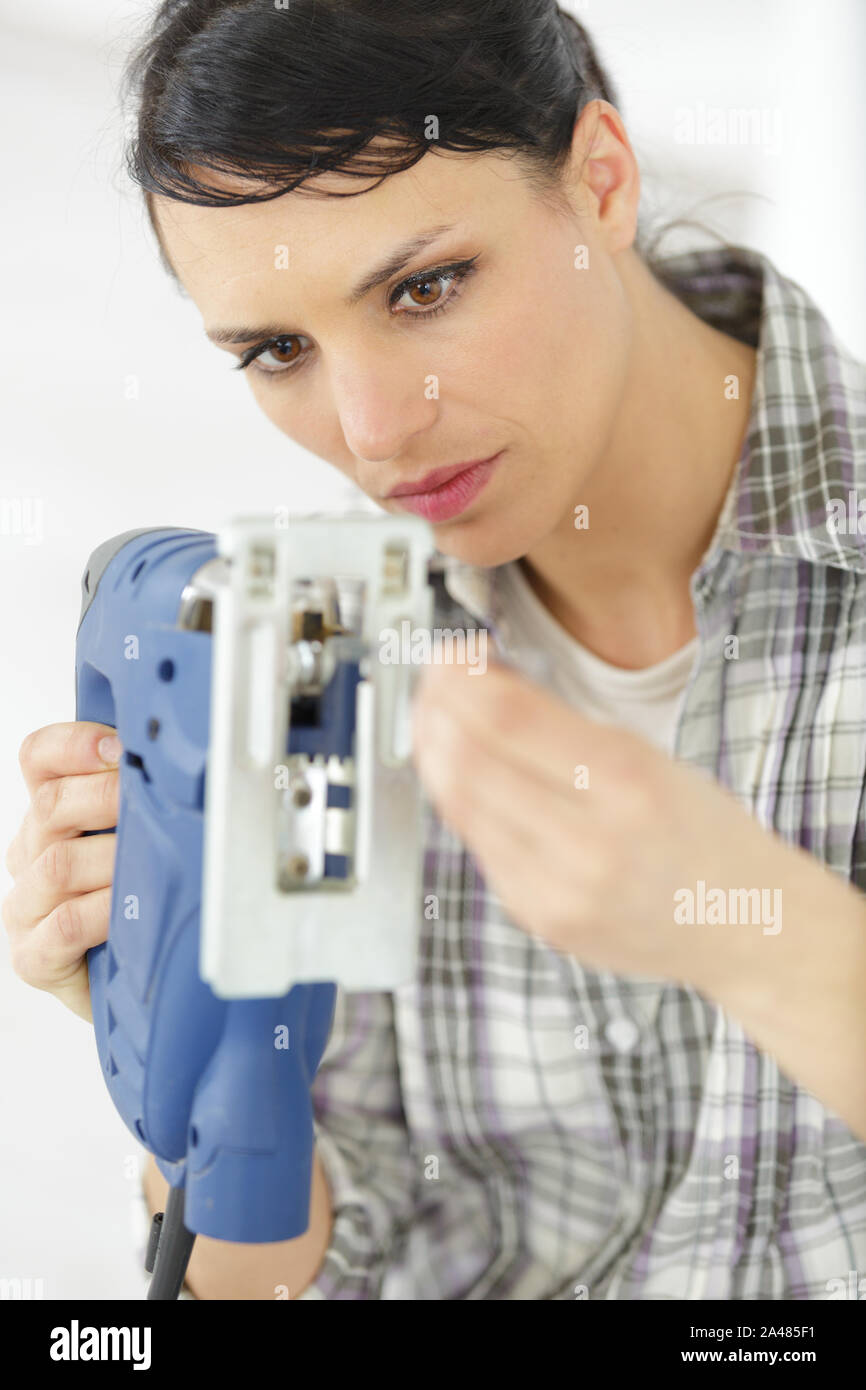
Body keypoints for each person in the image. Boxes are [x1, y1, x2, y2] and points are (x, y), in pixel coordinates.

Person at [4, 0, 865, 1300]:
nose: (371, 430)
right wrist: (185, 1038)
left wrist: (755, 928)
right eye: (277, 349)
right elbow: (295, 1266)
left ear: (600, 182)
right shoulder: (323, 649)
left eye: (423, 287)